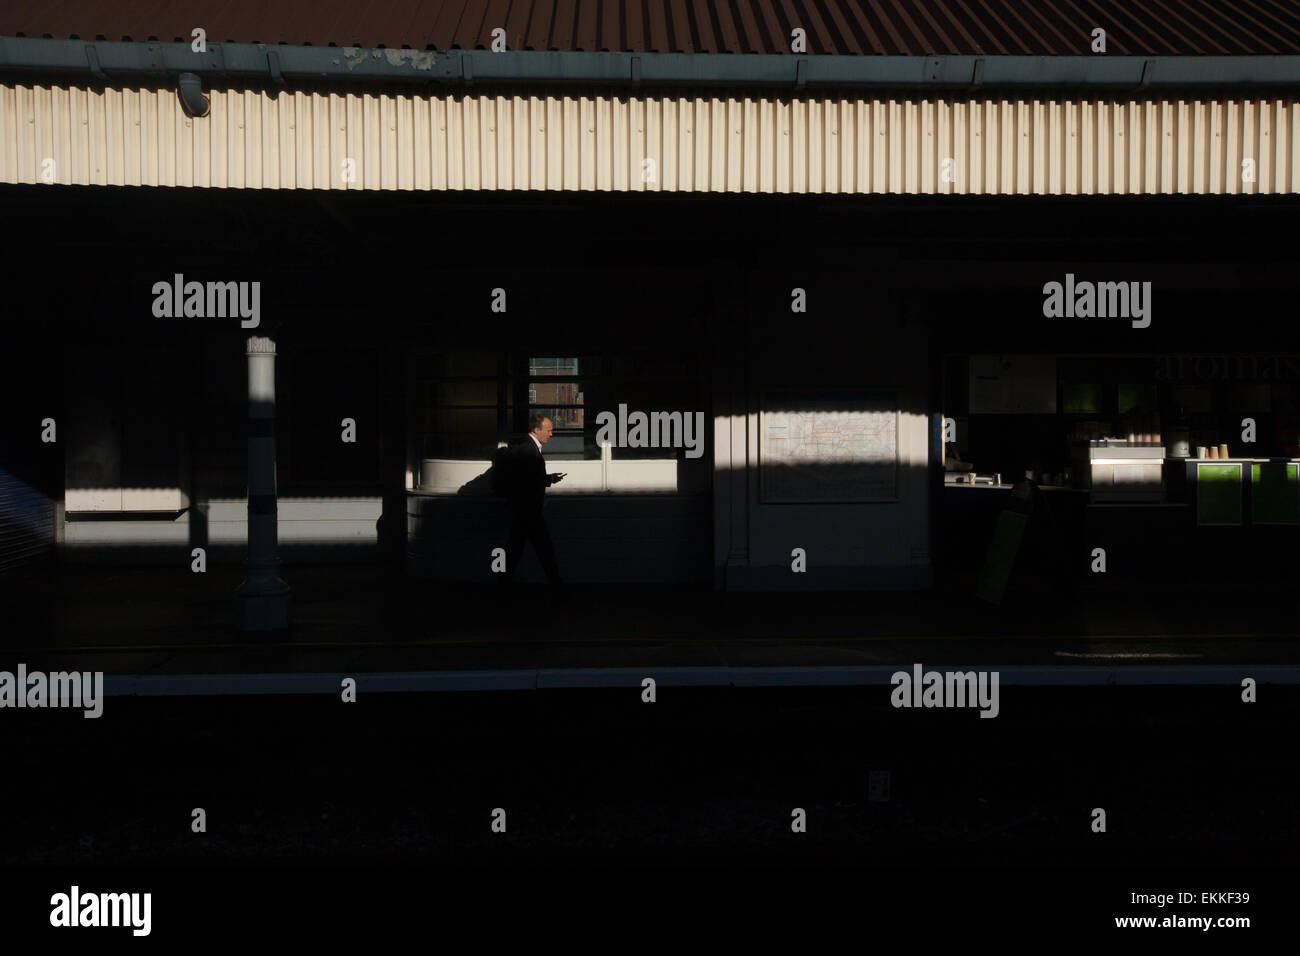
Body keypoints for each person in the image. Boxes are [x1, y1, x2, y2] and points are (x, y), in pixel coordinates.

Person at [502, 413, 566, 586]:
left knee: (515, 549)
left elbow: (530, 477)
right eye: (548, 430)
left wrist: (549, 479)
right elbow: (526, 480)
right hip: (529, 511)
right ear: (537, 430)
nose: (551, 434)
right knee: (543, 549)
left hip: (524, 511)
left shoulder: (527, 447)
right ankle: (556, 583)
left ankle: (502, 580)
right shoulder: (528, 450)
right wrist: (547, 480)